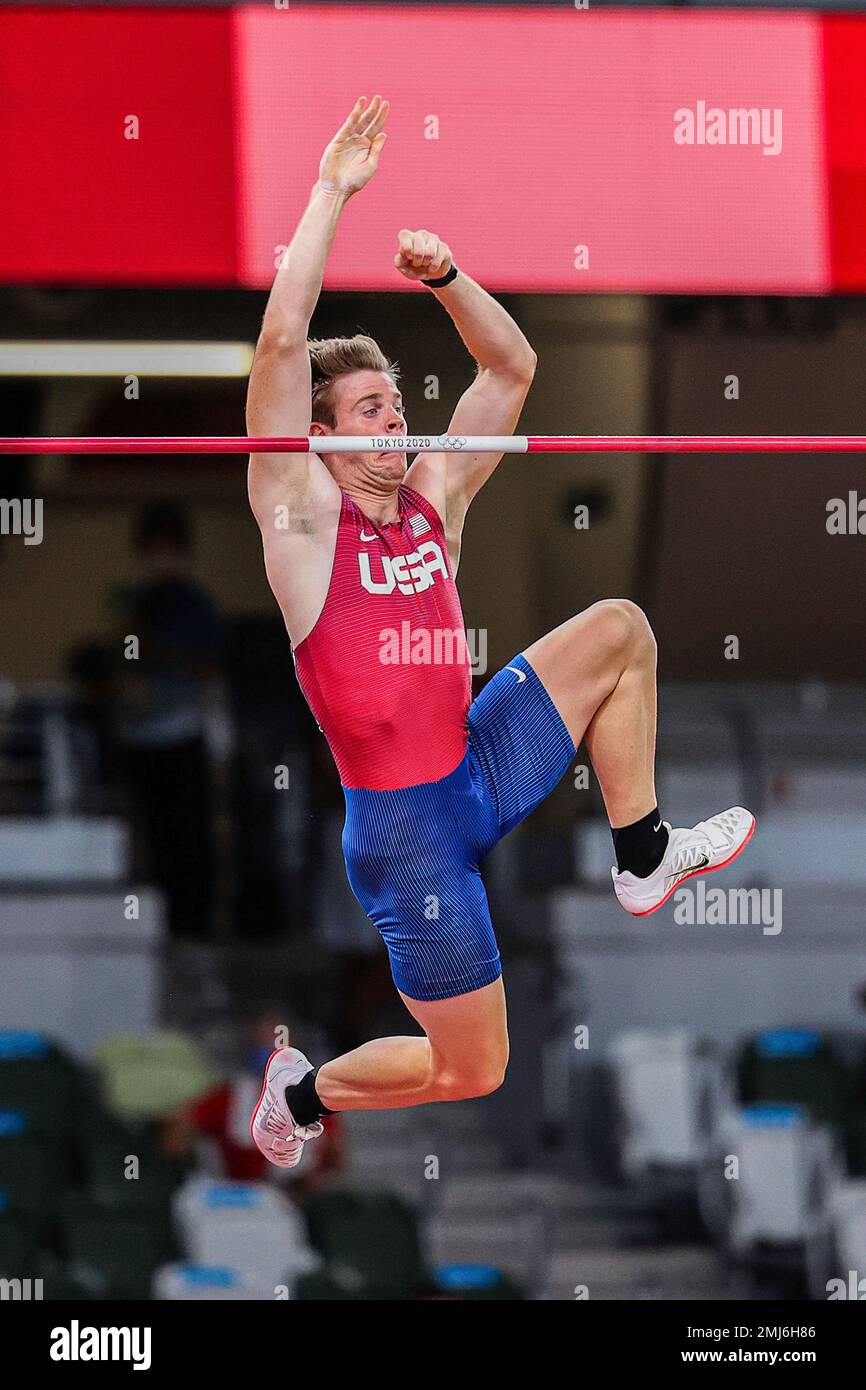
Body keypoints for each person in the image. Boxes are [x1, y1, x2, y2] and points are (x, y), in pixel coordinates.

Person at [245, 97, 755, 1168]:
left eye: (397, 400)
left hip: (477, 757)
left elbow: (510, 369)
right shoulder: (298, 522)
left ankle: (643, 853)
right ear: (321, 435)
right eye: (371, 408)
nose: (395, 417)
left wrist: (444, 277)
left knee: (621, 630)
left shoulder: (437, 495)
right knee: (470, 1067)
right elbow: (284, 342)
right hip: (405, 834)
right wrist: (332, 192)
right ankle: (306, 1084)